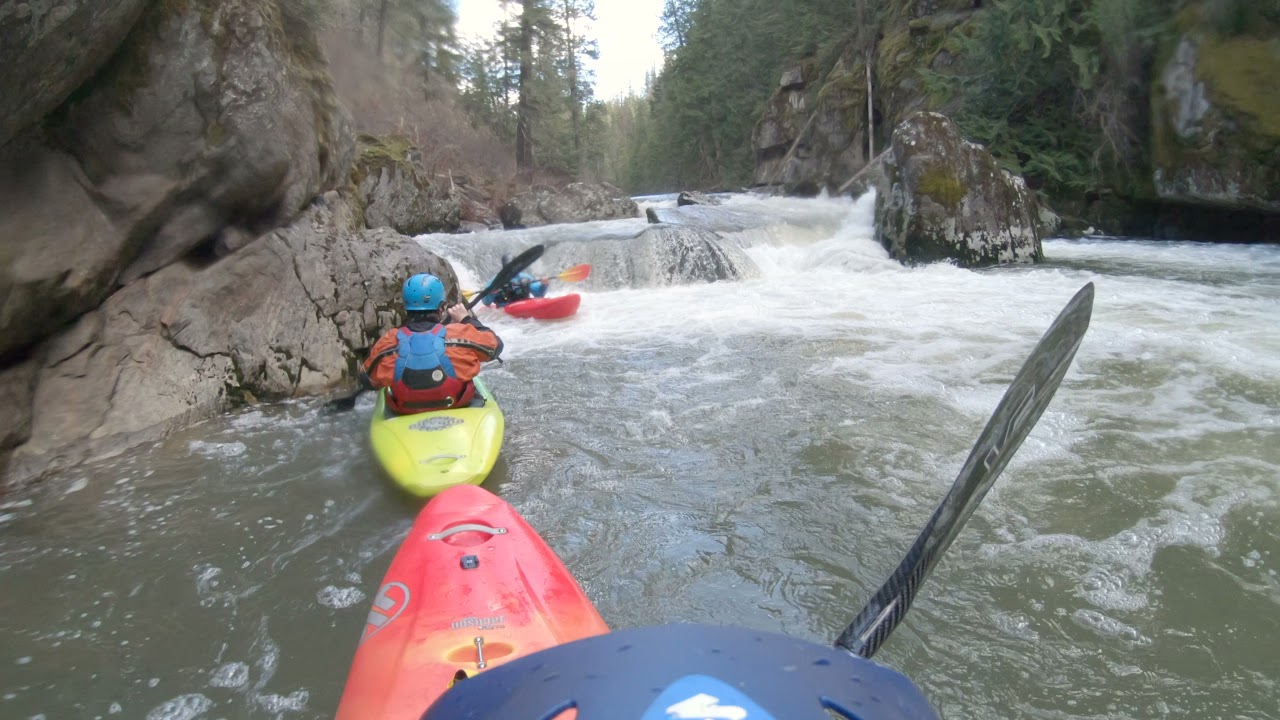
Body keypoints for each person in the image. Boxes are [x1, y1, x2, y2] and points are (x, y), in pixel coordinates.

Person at [360, 273, 503, 415]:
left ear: (406, 307)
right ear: (441, 308)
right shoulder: (460, 334)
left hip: (406, 412)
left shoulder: (388, 342)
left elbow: (368, 381)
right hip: (458, 406)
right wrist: (466, 319)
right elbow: (495, 347)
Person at [481, 254, 547, 308]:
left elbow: (539, 295)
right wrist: (491, 293)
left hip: (525, 305)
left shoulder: (526, 277)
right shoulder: (495, 281)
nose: (511, 269)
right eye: (508, 267)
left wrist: (543, 285)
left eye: (513, 266)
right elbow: (486, 302)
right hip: (503, 311)